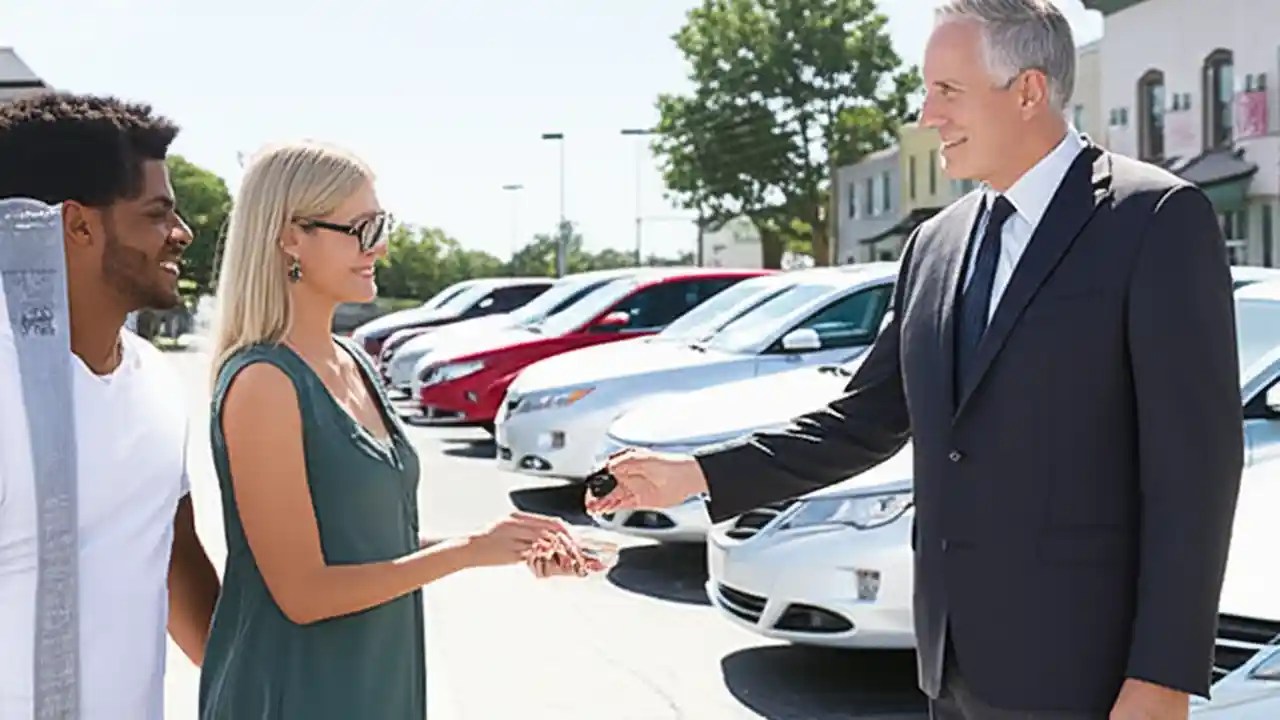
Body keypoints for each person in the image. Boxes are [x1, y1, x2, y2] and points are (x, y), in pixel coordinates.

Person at [589, 1, 1244, 718]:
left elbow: (1196, 469)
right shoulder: (934, 244)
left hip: (1092, 676)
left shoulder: (1154, 219)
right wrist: (695, 473)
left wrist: (1163, 675)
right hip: (949, 666)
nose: (927, 116)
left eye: (947, 92)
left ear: (1027, 91)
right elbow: (861, 421)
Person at [199, 140, 586, 720]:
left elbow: (367, 550)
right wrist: (465, 553)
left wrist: (497, 543)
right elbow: (303, 594)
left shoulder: (353, 360)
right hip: (296, 693)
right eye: (361, 227)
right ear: (289, 237)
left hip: (376, 684)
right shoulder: (264, 383)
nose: (378, 245)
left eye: (380, 224)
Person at [0, 93, 221, 717]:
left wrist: (267, 684)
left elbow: (174, 554)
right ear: (79, 225)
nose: (181, 234)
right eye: (157, 215)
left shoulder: (154, 379)